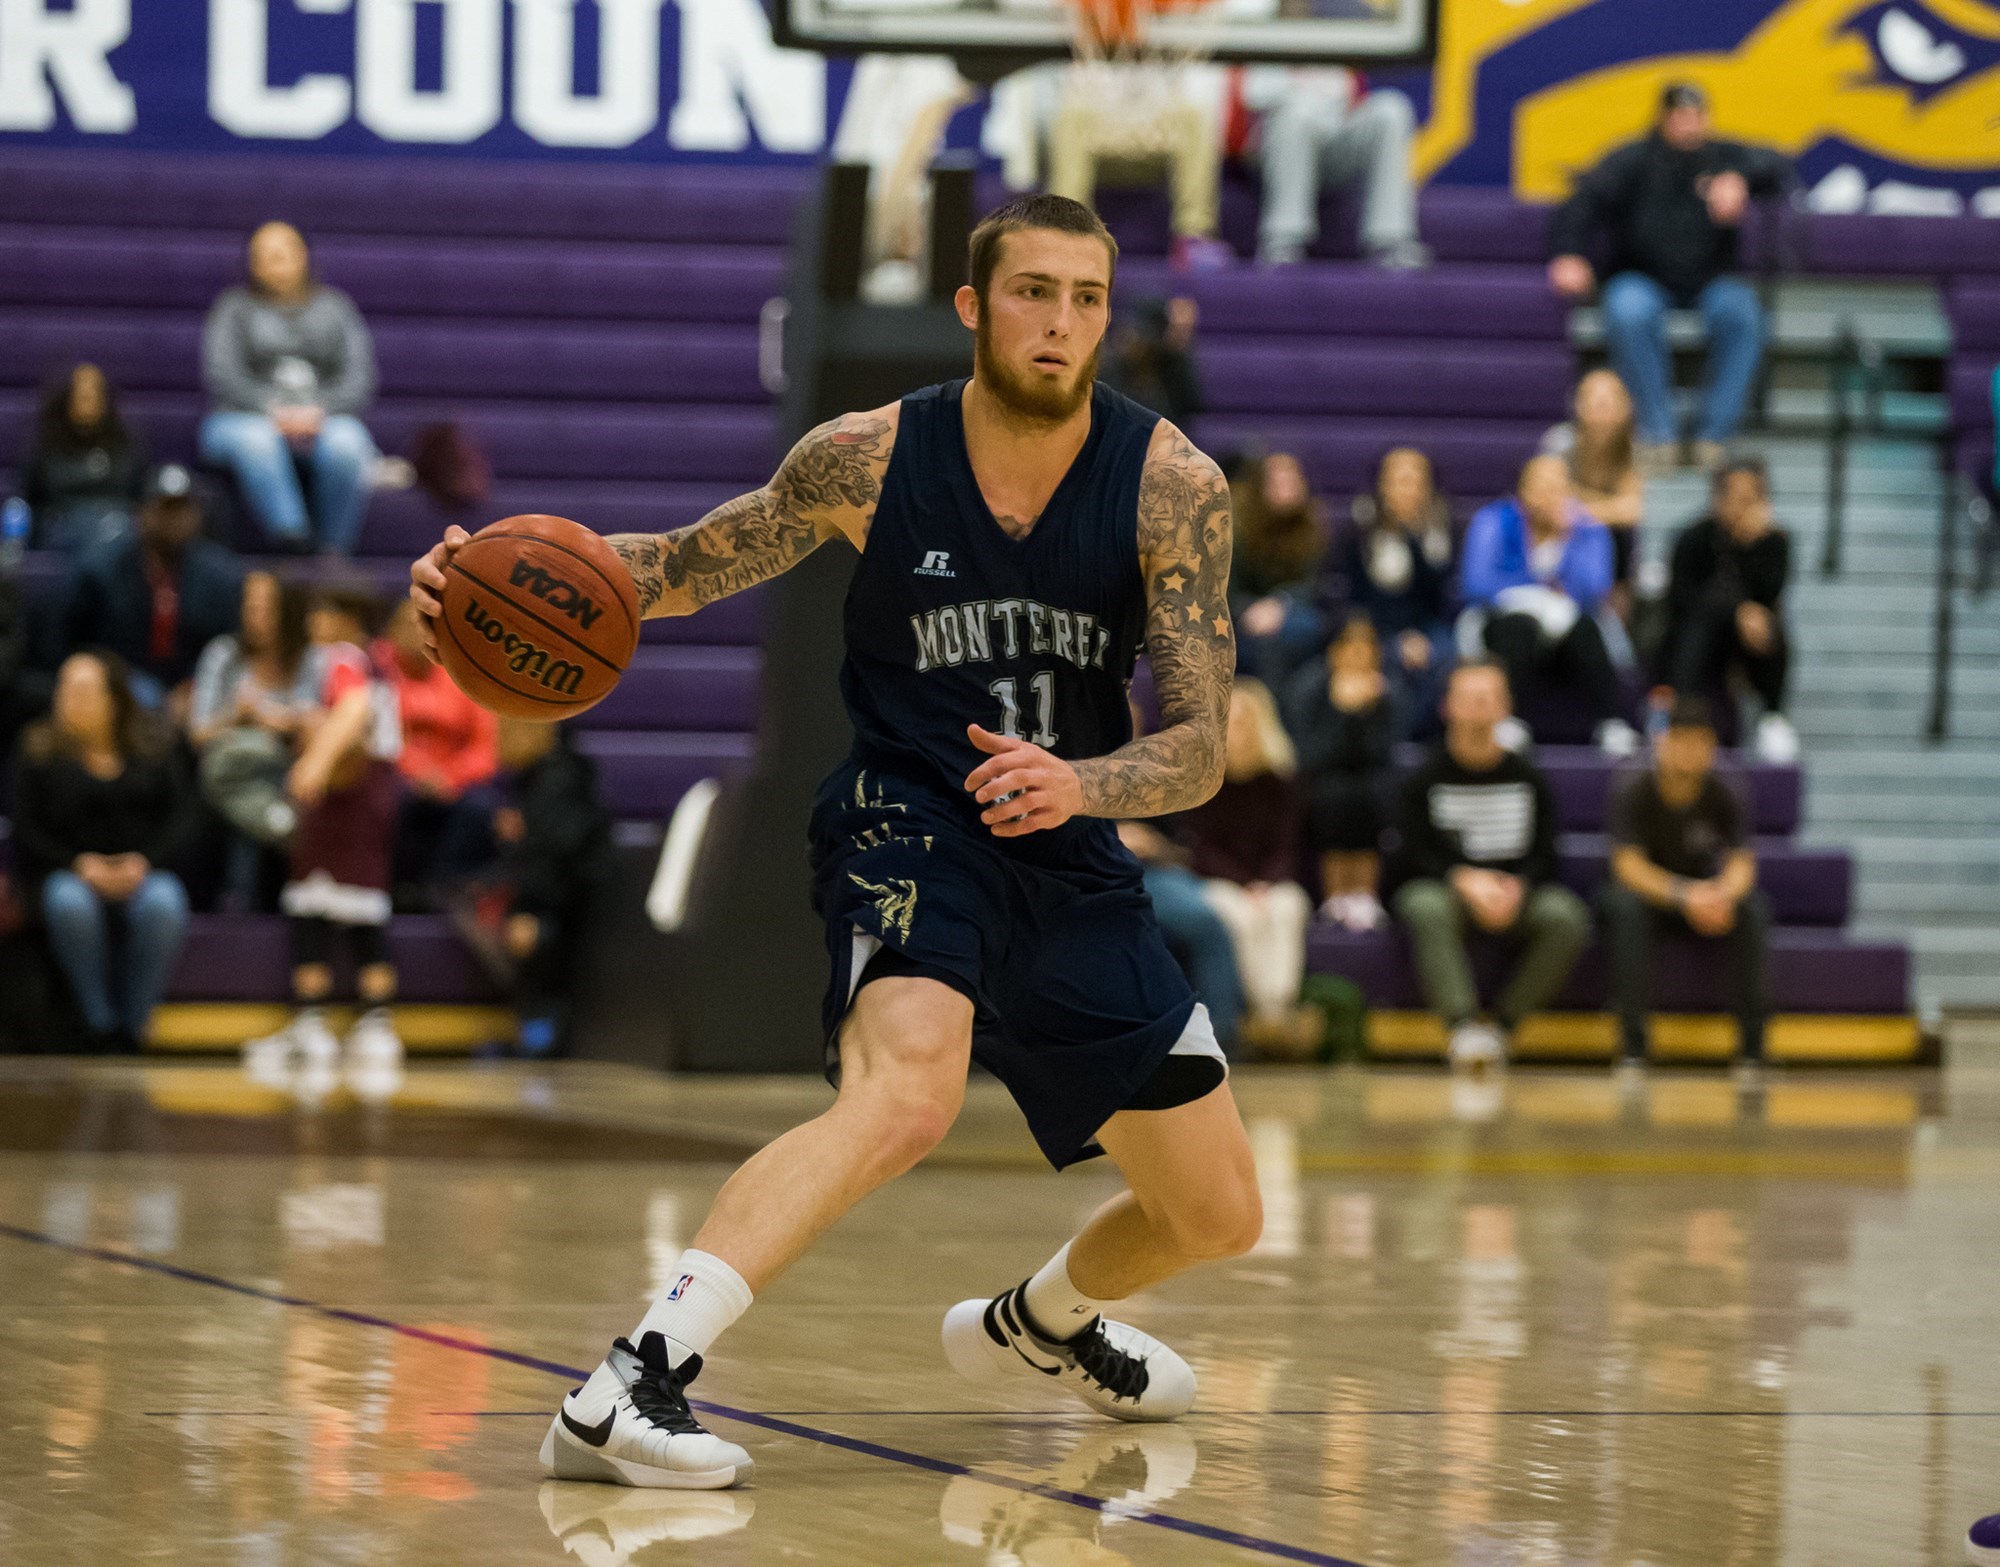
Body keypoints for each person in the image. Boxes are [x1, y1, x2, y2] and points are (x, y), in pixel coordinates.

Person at [410, 194, 1257, 1489]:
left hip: (1069, 844)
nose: (1062, 322)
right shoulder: (867, 456)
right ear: (974, 306)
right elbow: (679, 566)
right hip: (908, 816)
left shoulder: (1172, 485)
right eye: (1034, 291)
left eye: (1087, 297)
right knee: (907, 1093)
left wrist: (1083, 781)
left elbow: (1203, 741)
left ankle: (1040, 1321)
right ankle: (632, 1377)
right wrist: (480, 586)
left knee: (1217, 1211)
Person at [1547, 82, 1793, 469]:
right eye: (1681, 116)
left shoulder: (1723, 157)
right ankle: (1657, 433)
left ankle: (1713, 437)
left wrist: (1739, 179)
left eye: (1697, 116)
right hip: (1642, 277)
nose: (1690, 125)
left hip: (1711, 282)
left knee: (1744, 314)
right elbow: (1582, 199)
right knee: (1627, 309)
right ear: (1662, 118)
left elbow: (1780, 166)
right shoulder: (1633, 160)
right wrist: (1569, 254)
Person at [1392, 660, 1591, 1073]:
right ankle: (1463, 1027)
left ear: (1506, 708)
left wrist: (1518, 886)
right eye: (1469, 698)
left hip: (1515, 892)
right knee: (1424, 905)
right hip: (1448, 890)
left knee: (1566, 917)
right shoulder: (1422, 780)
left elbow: (1546, 855)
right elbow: (1410, 856)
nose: (1480, 707)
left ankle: (1500, 1029)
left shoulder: (1530, 779)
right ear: (1448, 707)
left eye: (1489, 698)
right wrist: (1463, 879)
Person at [243, 586, 405, 1086]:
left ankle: (318, 1023)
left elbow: (352, 709)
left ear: (346, 619)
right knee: (359, 903)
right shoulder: (375, 663)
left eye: (323, 610)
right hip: (373, 790)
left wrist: (312, 763)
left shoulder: (341, 659)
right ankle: (372, 1025)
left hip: (345, 791)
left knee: (320, 906)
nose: (313, 619)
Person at [7, 650, 193, 1050]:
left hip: (141, 871)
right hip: (66, 873)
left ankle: (134, 1026)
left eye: (84, 691)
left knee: (165, 902)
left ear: (113, 699)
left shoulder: (152, 751)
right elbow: (26, 828)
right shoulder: (36, 750)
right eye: (65, 689)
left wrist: (144, 862)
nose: (70, 699)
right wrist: (78, 864)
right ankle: (98, 1023)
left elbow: (180, 820)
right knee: (69, 902)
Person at [1602, 695, 1769, 1080]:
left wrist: (1722, 894)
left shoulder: (1726, 788)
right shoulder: (1633, 784)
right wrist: (1684, 895)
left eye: (1699, 743)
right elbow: (1627, 865)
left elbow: (1742, 862)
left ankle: (1752, 1050)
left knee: (1753, 910)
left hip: (1701, 894)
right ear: (1662, 741)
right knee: (1626, 910)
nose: (1690, 753)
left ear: (1712, 746)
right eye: (1681, 741)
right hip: (1648, 894)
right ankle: (1633, 1049)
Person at [200, 221, 380, 555]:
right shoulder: (233, 309)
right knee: (257, 441)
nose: (276, 264)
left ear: (303, 258)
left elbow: (359, 378)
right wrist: (273, 412)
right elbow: (222, 376)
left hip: (323, 417)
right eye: (266, 256)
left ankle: (331, 553)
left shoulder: (335, 309)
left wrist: (318, 412)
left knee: (350, 445)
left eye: (283, 254)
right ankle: (290, 538)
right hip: (242, 417)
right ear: (252, 263)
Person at [1459, 454, 1635, 755]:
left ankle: (1611, 722)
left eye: (1558, 486)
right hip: (1504, 622)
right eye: (1540, 485)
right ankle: (1508, 721)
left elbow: (1595, 589)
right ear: (1522, 491)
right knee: (1518, 628)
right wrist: (1531, 597)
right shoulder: (1493, 521)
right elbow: (1477, 582)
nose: (1549, 494)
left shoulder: (1587, 528)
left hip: (1566, 629)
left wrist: (1567, 536)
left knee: (1586, 628)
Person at [1177, 680, 1316, 1057]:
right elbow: (1200, 849)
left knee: (1288, 907)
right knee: (1238, 916)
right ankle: (1260, 1017)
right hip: (1218, 882)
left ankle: (1275, 1011)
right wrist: (1243, 885)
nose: (1236, 730)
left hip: (1271, 883)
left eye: (1244, 721)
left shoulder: (1282, 780)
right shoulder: (1201, 781)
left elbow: (1288, 846)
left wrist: (1266, 884)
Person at [60, 465, 243, 712]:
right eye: (165, 509)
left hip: (196, 692)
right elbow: (74, 641)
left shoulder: (219, 576)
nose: (174, 521)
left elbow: (228, 645)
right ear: (141, 513)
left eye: (182, 510)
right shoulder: (101, 570)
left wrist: (194, 685)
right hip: (119, 687)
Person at [1661, 456, 1797, 764]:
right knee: (1700, 627)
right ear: (1717, 498)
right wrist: (1736, 610)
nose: (1740, 508)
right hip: (1694, 639)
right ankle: (1677, 715)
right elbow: (1683, 598)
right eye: (1734, 498)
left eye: (1750, 499)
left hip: (1747, 642)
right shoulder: (1693, 538)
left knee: (1770, 625)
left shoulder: (1774, 542)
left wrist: (1750, 548)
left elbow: (1771, 592)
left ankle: (1772, 717)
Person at [1238, 67, 1429, 270]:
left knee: (1392, 109)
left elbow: (1353, 99)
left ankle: (1390, 241)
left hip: (1335, 139)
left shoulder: (1342, 41)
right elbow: (1253, 96)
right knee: (1296, 114)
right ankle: (1283, 240)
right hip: (1275, 148)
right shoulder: (1268, 39)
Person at [188, 571, 320, 858]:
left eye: (265, 607)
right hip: (235, 764)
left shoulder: (308, 658)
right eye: (249, 605)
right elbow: (198, 735)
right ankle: (282, 825)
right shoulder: (223, 654)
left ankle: (281, 823)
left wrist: (273, 718)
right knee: (229, 762)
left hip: (286, 765)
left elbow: (314, 721)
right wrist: (236, 716)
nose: (254, 615)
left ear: (287, 610)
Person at [377, 598, 499, 902]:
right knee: (391, 800)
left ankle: (443, 885)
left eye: (425, 626)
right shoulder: (378, 668)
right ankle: (396, 886)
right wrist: (415, 771)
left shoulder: (461, 670)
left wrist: (449, 776)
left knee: (482, 808)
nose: (417, 634)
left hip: (451, 781)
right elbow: (377, 734)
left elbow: (484, 746)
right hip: (397, 775)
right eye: (408, 625)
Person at [1329, 446, 1454, 740]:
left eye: (1415, 481)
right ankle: (1394, 738)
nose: (1407, 490)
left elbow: (1440, 598)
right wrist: (1395, 638)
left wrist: (1414, 541)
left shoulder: (1442, 531)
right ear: (1382, 485)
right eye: (1399, 480)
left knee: (1443, 657)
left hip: (1426, 626)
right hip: (1375, 625)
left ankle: (1427, 737)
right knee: (1389, 658)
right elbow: (1354, 595)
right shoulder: (1358, 533)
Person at [1283, 614, 1393, 931]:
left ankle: (1366, 897)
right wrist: (1344, 712)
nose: (1359, 656)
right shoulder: (1309, 687)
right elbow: (1312, 754)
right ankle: (1335, 897)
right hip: (1321, 783)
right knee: (1332, 795)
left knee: (1371, 793)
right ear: (1334, 651)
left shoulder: (1388, 692)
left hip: (1369, 784)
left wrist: (1365, 711)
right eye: (1351, 647)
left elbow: (1381, 753)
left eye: (1367, 648)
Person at [1115, 819, 1246, 1053]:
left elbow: (1187, 847)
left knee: (1212, 920)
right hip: (1108, 870)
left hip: (1163, 870)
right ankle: (1218, 1036)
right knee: (1202, 923)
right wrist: (1113, 838)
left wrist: (1154, 843)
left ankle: (1221, 1033)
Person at [19, 363, 147, 555]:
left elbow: (138, 493)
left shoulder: (125, 441)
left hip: (118, 524)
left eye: (94, 392)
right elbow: (33, 496)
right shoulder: (47, 443)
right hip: (65, 525)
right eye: (81, 393)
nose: (88, 398)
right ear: (67, 398)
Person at [1540, 369, 1645, 594]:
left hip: (1617, 553)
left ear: (1626, 405)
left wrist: (1579, 504)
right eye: (1593, 397)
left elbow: (1633, 511)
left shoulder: (1635, 449)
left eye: (1609, 397)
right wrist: (1610, 506)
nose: (1601, 404)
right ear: (1577, 404)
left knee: (1620, 539)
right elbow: (1547, 501)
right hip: (1563, 544)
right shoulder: (1559, 442)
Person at [1230, 450, 1328, 684]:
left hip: (1294, 611)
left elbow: (1316, 585)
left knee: (1304, 629)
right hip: (1244, 613)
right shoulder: (1237, 528)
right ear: (1260, 487)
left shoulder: (1313, 529)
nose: (1286, 488)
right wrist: (1250, 609)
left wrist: (1281, 603)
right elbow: (1226, 587)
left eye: (1291, 481)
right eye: (1277, 482)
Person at [1100, 295, 1205, 426]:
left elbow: (1190, 408)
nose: (1134, 343)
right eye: (1129, 334)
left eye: (1141, 337)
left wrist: (1178, 344)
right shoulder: (1109, 369)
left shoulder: (1173, 366)